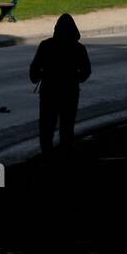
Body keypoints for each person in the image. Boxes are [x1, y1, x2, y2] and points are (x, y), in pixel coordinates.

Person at [28, 13, 92, 154]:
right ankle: (65, 155)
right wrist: (76, 78)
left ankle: (47, 156)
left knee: (46, 127)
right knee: (67, 126)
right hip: (70, 91)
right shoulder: (79, 48)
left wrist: (39, 77)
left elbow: (34, 69)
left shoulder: (46, 45)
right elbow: (86, 71)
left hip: (49, 91)